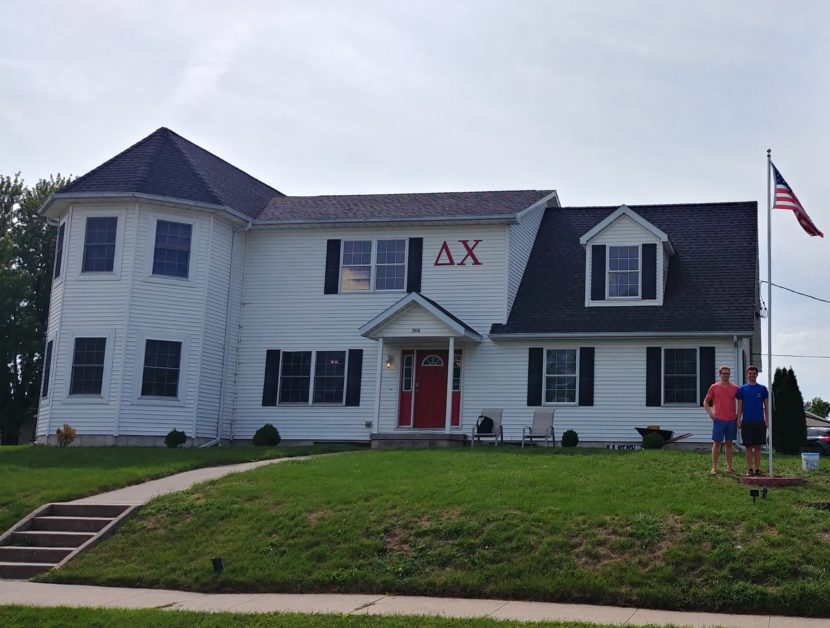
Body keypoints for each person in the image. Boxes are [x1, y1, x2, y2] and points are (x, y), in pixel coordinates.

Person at [704, 365, 738, 475]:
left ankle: (729, 467)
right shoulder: (714, 387)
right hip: (718, 419)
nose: (726, 375)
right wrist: (710, 413)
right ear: (720, 374)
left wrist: (738, 414)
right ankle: (714, 467)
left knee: (729, 444)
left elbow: (742, 401)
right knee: (717, 443)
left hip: (731, 420)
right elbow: (706, 401)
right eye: (724, 373)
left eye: (727, 373)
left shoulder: (734, 388)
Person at [736, 365, 769, 476]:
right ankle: (749, 469)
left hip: (759, 421)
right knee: (748, 446)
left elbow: (766, 405)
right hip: (747, 421)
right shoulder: (742, 389)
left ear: (756, 375)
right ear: (747, 375)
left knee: (758, 446)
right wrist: (738, 419)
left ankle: (757, 469)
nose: (752, 375)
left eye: (754, 373)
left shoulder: (762, 389)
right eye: (750, 373)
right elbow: (740, 405)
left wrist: (767, 420)